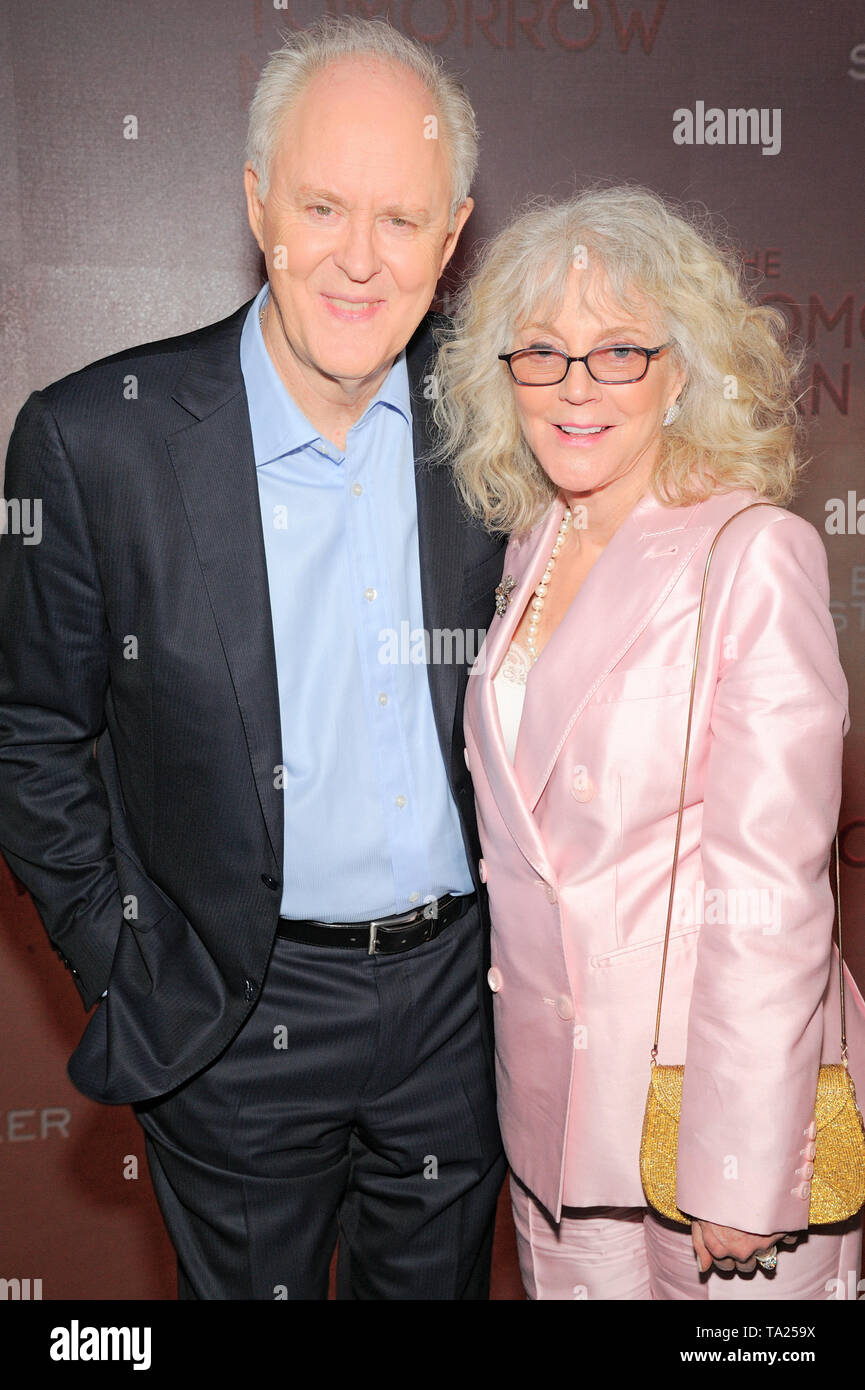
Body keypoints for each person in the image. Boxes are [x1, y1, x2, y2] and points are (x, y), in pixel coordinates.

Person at [0, 18, 506, 1300]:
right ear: (255, 203)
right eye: (323, 204)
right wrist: (125, 957)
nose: (357, 256)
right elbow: (30, 734)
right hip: (231, 1012)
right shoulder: (91, 442)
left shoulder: (504, 426)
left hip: (462, 1002)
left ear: (450, 241)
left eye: (401, 220)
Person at [434, 185, 865, 1299]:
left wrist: (740, 1160)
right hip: (556, 1124)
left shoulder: (750, 552)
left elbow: (771, 891)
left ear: (681, 372)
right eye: (542, 352)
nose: (576, 388)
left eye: (619, 350)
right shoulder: (532, 545)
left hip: (711, 1126)